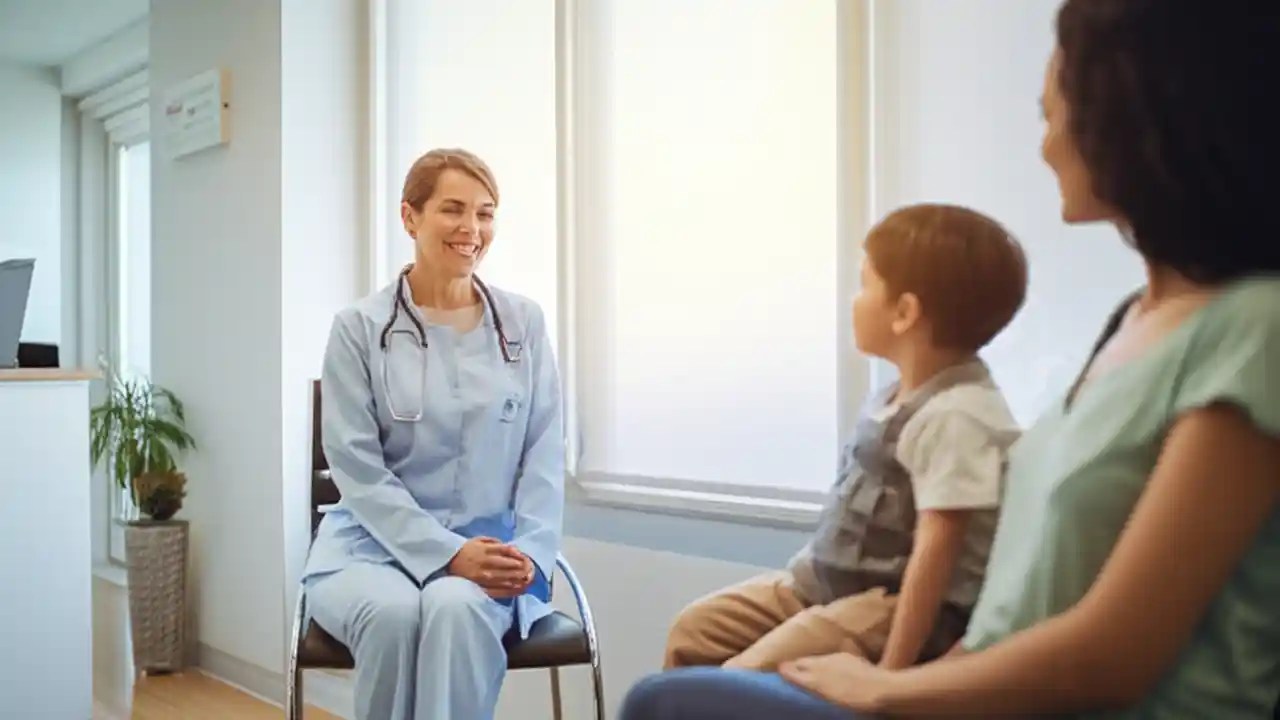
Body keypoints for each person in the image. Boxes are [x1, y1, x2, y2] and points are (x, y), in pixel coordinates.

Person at [619, 0, 1280, 717]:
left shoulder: (1254, 328)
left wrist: (889, 688)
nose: (1046, 147)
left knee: (673, 705)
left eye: (1053, 115)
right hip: (980, 695)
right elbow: (1014, 613)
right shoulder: (1129, 324)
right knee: (673, 692)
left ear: (1133, 117)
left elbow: (1110, 656)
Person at [663, 204, 1025, 674]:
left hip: (892, 606)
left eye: (865, 285)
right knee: (695, 632)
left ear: (904, 312)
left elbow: (936, 556)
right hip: (824, 587)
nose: (853, 300)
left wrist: (891, 678)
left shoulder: (958, 415)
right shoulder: (895, 394)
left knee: (736, 681)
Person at [300, 148, 564, 720]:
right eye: (453, 209)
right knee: (393, 615)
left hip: (493, 550)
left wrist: (532, 556)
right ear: (410, 216)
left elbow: (544, 451)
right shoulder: (360, 329)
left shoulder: (524, 325)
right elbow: (355, 464)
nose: (472, 228)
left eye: (486, 213)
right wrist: (446, 553)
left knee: (455, 608)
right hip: (366, 550)